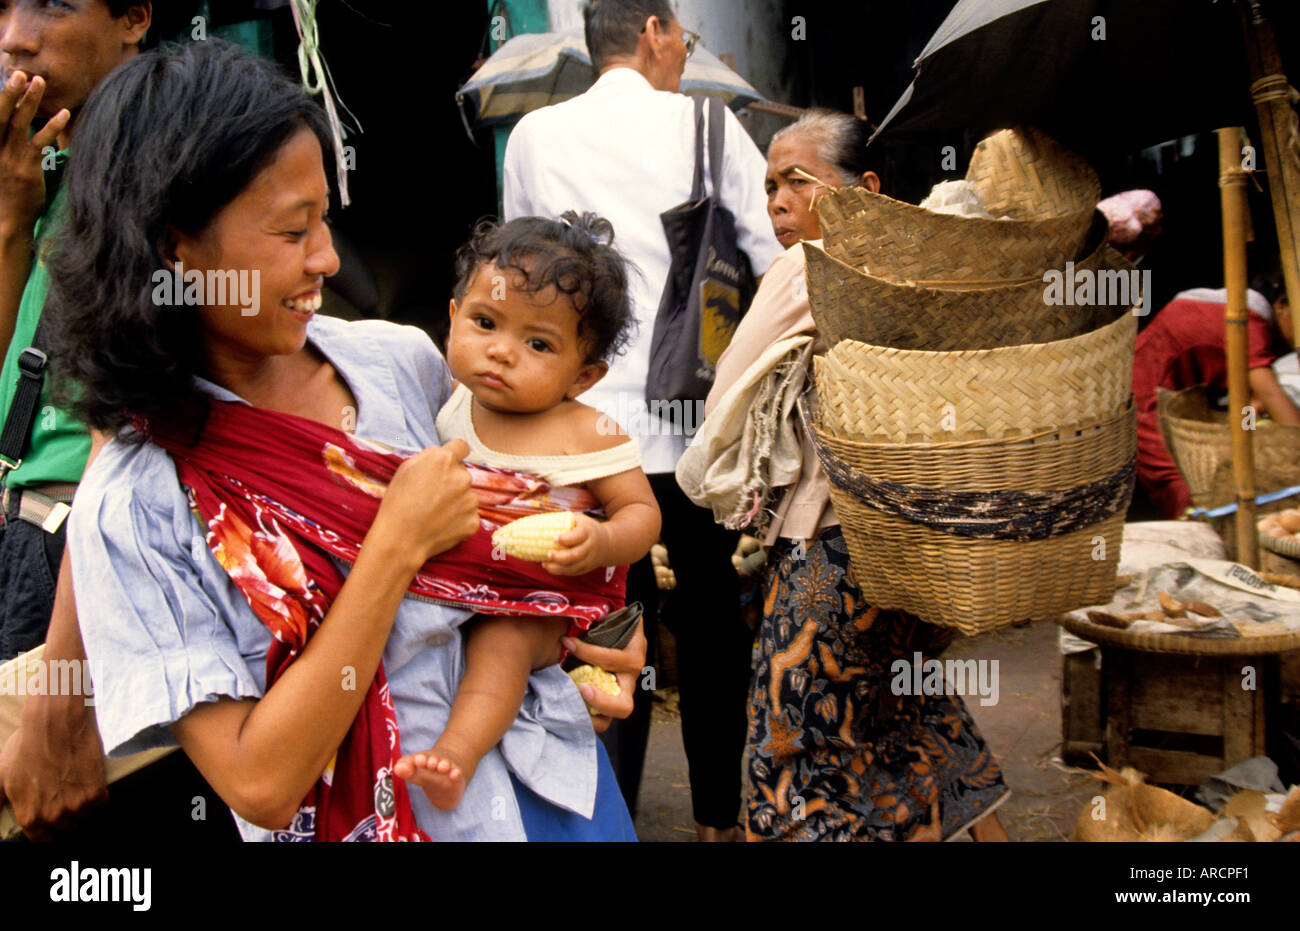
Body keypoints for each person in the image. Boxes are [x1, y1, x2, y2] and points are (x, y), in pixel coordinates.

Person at [47, 39, 644, 842]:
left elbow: (523, 543)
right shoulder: (136, 506)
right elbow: (260, 779)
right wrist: (394, 544)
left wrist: (585, 633)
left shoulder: (398, 364)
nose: (326, 257)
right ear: (174, 250)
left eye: (325, 218)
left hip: (554, 791)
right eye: (293, 231)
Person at [503, 0, 783, 841]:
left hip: (581, 424)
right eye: (682, 42)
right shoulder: (709, 126)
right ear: (657, 33)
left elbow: (521, 276)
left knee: (598, 623)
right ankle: (715, 819)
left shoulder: (533, 138)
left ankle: (606, 813)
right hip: (695, 420)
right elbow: (771, 266)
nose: (681, 58)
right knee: (708, 620)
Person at [705, 108, 1011, 841]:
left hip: (831, 548)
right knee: (902, 704)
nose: (776, 201)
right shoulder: (930, 267)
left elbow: (725, 392)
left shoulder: (803, 266)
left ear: (865, 189)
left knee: (787, 749)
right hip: (917, 548)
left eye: (796, 181)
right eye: (770, 185)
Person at [0, 0, 239, 842]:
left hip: (89, 550)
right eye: (2, 7)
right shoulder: (37, 166)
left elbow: (124, 426)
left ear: (135, 16)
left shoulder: (162, 163)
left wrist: (62, 687)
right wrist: (9, 217)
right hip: (21, 537)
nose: (16, 35)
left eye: (53, 5)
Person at [395, 212, 661, 811]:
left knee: (504, 642)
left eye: (538, 343)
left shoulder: (586, 432)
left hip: (545, 600)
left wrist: (605, 543)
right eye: (486, 323)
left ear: (584, 375)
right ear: (453, 316)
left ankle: (455, 757)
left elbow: (642, 512)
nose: (501, 352)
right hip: (459, 584)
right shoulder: (446, 406)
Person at [1133, 277, 1299, 518]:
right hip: (1149, 399)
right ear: (1282, 305)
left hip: (1183, 401)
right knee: (1183, 486)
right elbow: (1269, 393)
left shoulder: (1243, 315)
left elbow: (1256, 401)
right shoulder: (1245, 318)